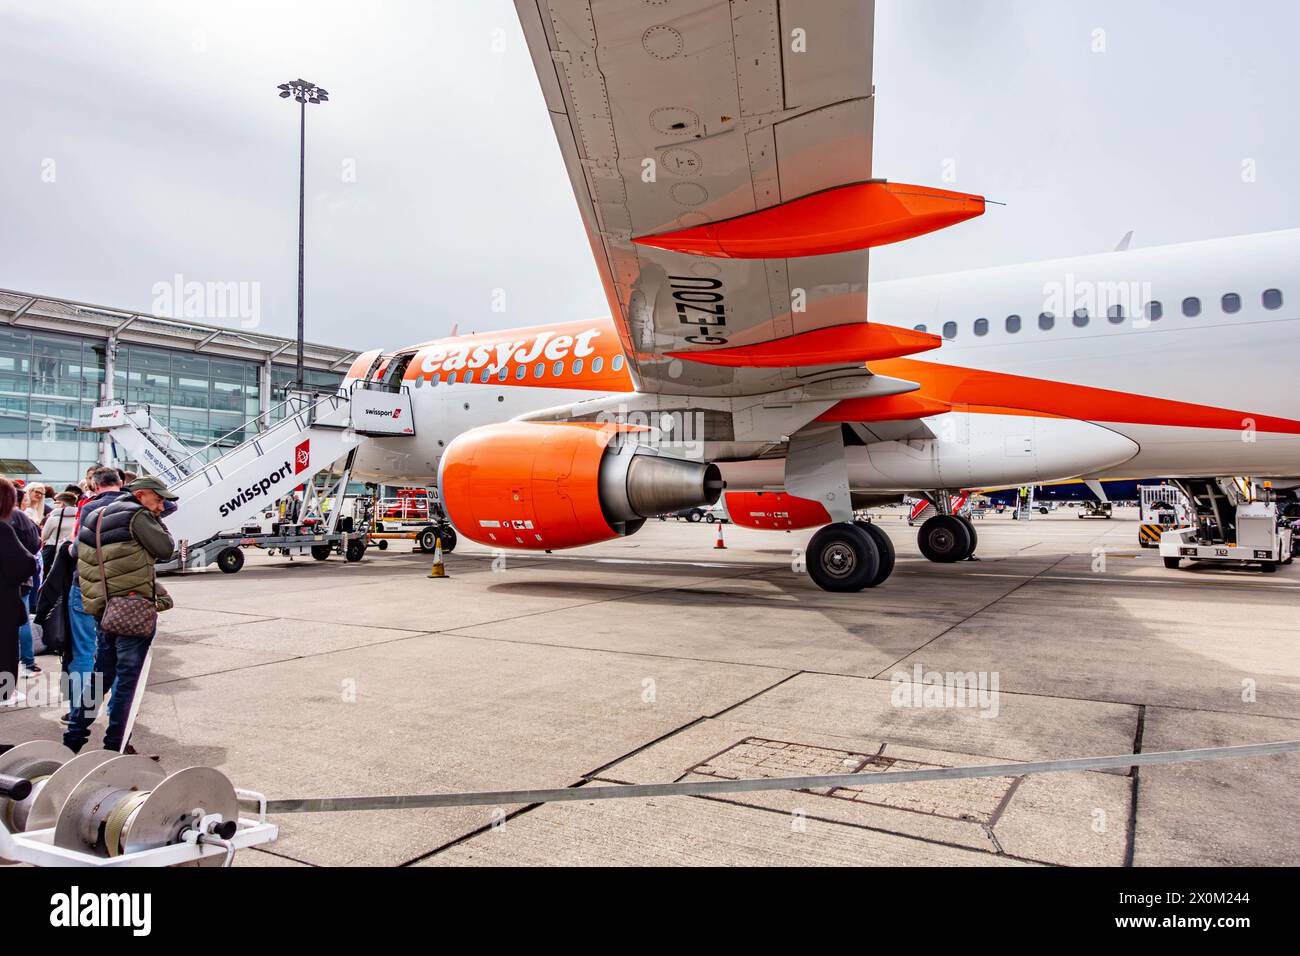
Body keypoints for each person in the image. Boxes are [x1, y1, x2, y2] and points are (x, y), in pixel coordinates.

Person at [63, 476, 177, 754]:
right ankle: (115, 748)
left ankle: (71, 742)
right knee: (127, 683)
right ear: (140, 495)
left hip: (104, 611)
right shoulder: (138, 515)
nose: (161, 506)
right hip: (131, 610)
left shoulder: (95, 514)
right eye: (158, 499)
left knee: (99, 678)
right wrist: (156, 521)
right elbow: (166, 548)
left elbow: (76, 551)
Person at [64, 467, 129, 724]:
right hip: (124, 590)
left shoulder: (90, 508)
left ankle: (82, 712)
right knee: (120, 655)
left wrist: (70, 547)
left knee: (83, 650)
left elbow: (78, 548)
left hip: (87, 586)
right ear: (120, 482)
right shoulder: (136, 507)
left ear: (94, 484)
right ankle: (117, 716)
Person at [0, 478, 38, 706]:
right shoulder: (3, 528)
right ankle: (4, 692)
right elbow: (25, 562)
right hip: (3, 600)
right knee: (5, 647)